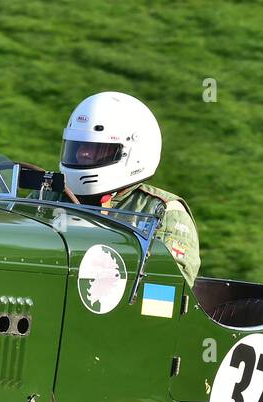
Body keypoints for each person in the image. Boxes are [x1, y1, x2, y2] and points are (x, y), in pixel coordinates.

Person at [58, 91, 200, 285]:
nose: (83, 153)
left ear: (132, 153)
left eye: (96, 149)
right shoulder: (48, 193)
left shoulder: (163, 212)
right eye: (78, 145)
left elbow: (168, 290)